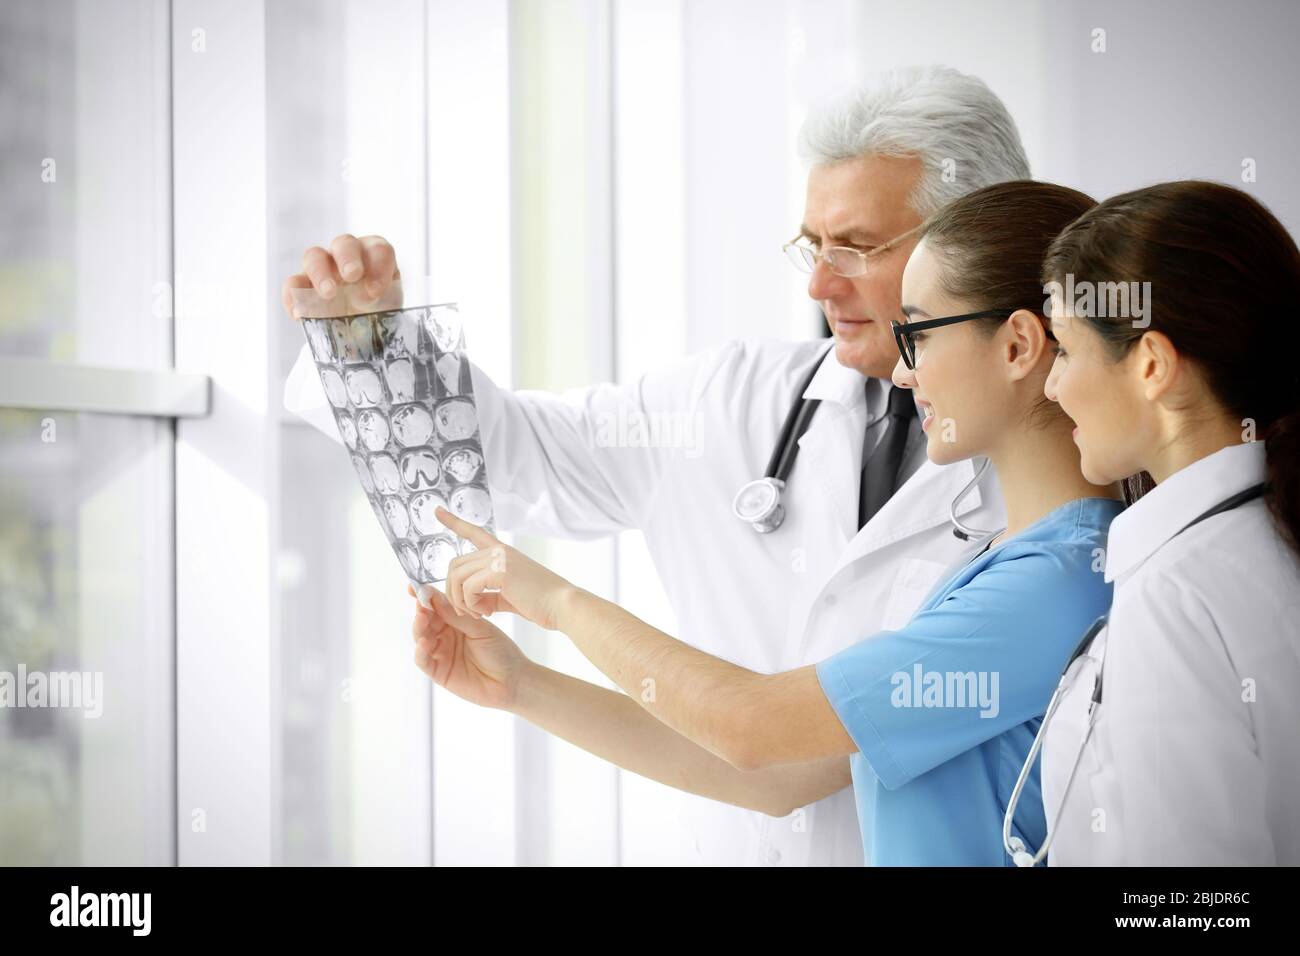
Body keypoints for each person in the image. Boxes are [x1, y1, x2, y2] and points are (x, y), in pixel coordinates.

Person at [282, 66, 1026, 866]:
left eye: (858, 247)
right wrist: (377, 355)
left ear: (975, 242)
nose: (819, 282)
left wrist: (556, 603)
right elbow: (513, 461)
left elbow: (774, 745)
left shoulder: (1057, 478)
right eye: (813, 245)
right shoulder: (731, 399)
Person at [419, 181, 1128, 865]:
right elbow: (776, 777)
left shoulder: (1055, 585)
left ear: (1017, 347)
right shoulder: (1016, 566)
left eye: (917, 336)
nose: (905, 376)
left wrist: (558, 602)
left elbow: (751, 726)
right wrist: (523, 687)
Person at [1031, 181, 1300, 865]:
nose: (1051, 385)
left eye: (1063, 349)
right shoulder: (1265, 540)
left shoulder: (1175, 593)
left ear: (1151, 365)